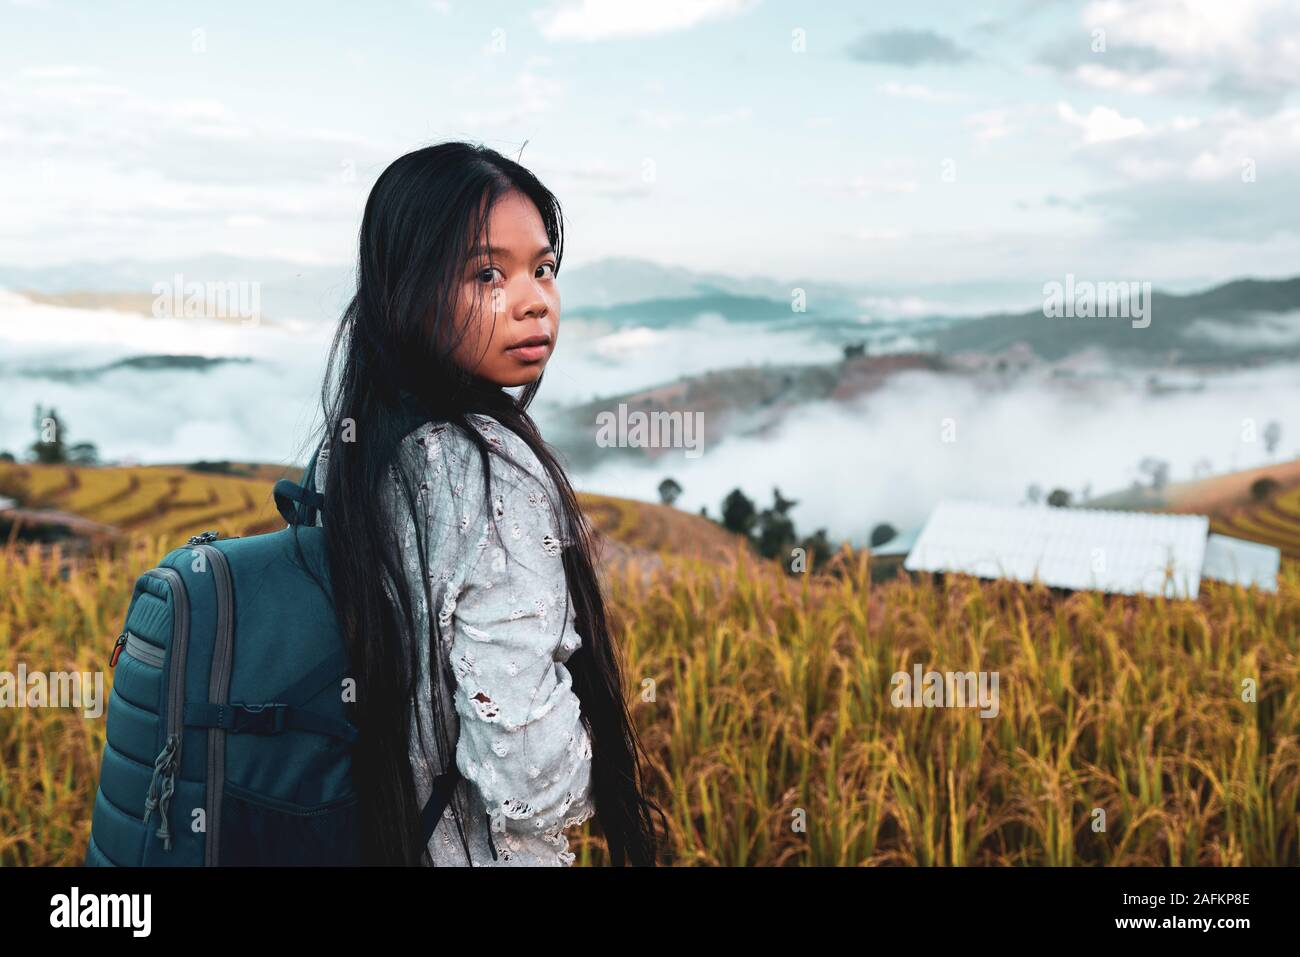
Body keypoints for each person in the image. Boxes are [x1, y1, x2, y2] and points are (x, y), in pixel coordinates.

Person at [306, 141, 667, 865]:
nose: (533, 299)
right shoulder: (488, 471)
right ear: (407, 289)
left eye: (543, 269)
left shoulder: (352, 454)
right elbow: (532, 776)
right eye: (486, 273)